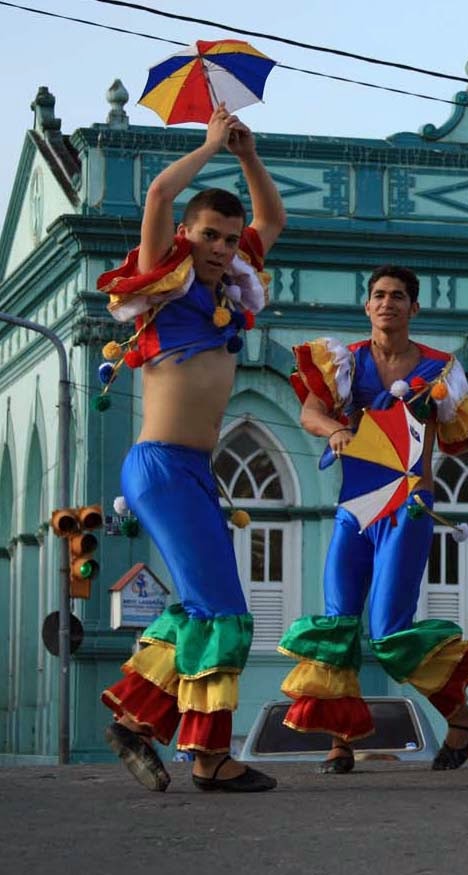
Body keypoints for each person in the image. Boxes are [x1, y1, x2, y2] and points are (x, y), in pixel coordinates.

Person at [97, 105, 285, 792]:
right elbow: (158, 194)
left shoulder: (231, 289)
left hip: (194, 473)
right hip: (159, 466)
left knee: (205, 604)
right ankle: (205, 754)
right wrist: (208, 145)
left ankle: (146, 722)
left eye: (229, 239)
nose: (221, 247)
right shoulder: (167, 288)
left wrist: (249, 156)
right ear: (187, 234)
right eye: (210, 235)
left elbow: (273, 222)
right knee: (223, 608)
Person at [281, 265, 468, 773]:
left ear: (414, 309)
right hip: (354, 510)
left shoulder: (439, 369)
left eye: (397, 296)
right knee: (337, 625)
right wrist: (333, 431)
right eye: (378, 295)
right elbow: (309, 413)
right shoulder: (346, 363)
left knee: (390, 633)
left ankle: (462, 717)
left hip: (409, 509)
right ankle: (339, 743)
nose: (386, 302)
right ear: (367, 307)